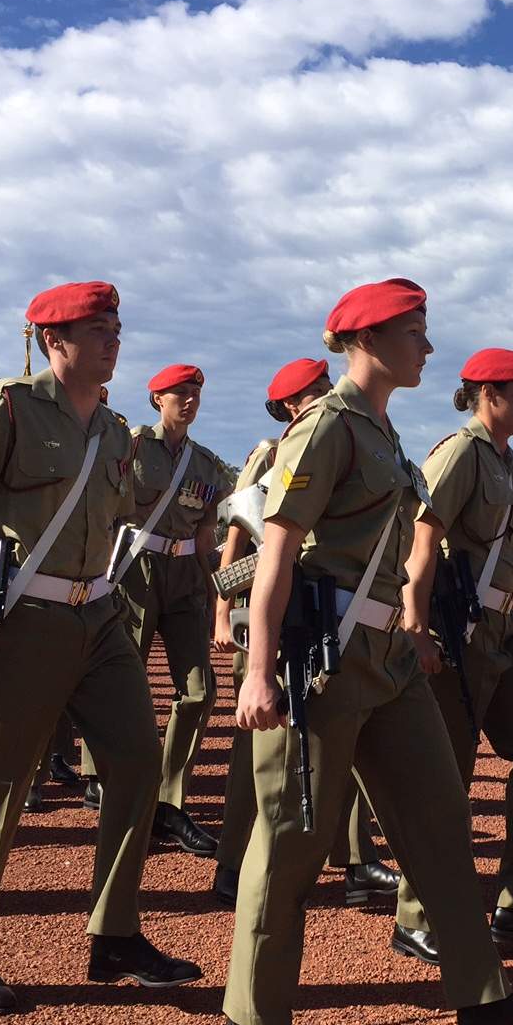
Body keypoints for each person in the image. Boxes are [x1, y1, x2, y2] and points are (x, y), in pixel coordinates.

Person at [224, 278, 513, 1025]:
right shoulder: (327, 427)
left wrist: (413, 633)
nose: (427, 346)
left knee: (439, 821)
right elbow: (277, 549)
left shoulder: (385, 434)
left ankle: (483, 1001)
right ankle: (253, 1020)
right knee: (290, 842)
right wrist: (256, 673)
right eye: (414, 331)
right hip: (322, 659)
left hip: (387, 658)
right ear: (369, 340)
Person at [0, 281, 199, 1014]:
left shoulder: (113, 430)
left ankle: (115, 933)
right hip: (24, 617)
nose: (114, 340)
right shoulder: (8, 406)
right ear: (55, 340)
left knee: (138, 764)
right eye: (99, 329)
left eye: (116, 328)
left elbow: (123, 520)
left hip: (99, 615)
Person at [391, 348, 513, 955]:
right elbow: (423, 540)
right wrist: (416, 628)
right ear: (489, 393)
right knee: (445, 775)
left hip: (503, 634)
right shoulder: (460, 453)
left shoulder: (509, 463)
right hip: (456, 634)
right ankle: (416, 916)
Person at [211, 357, 398, 909]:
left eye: (324, 386)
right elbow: (241, 535)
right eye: (312, 392)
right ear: (291, 406)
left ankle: (357, 859)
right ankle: (232, 862)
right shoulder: (273, 452)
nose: (323, 395)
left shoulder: (350, 434)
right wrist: (222, 613)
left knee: (345, 746)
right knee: (261, 752)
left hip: (333, 607)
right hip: (283, 615)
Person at [76, 362, 224, 858]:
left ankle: (168, 799)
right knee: (121, 676)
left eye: (195, 394)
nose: (188, 401)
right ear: (156, 399)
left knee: (200, 690)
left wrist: (212, 591)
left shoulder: (206, 465)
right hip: (133, 568)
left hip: (184, 577)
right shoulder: (131, 443)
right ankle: (99, 777)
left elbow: (206, 535)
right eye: (177, 393)